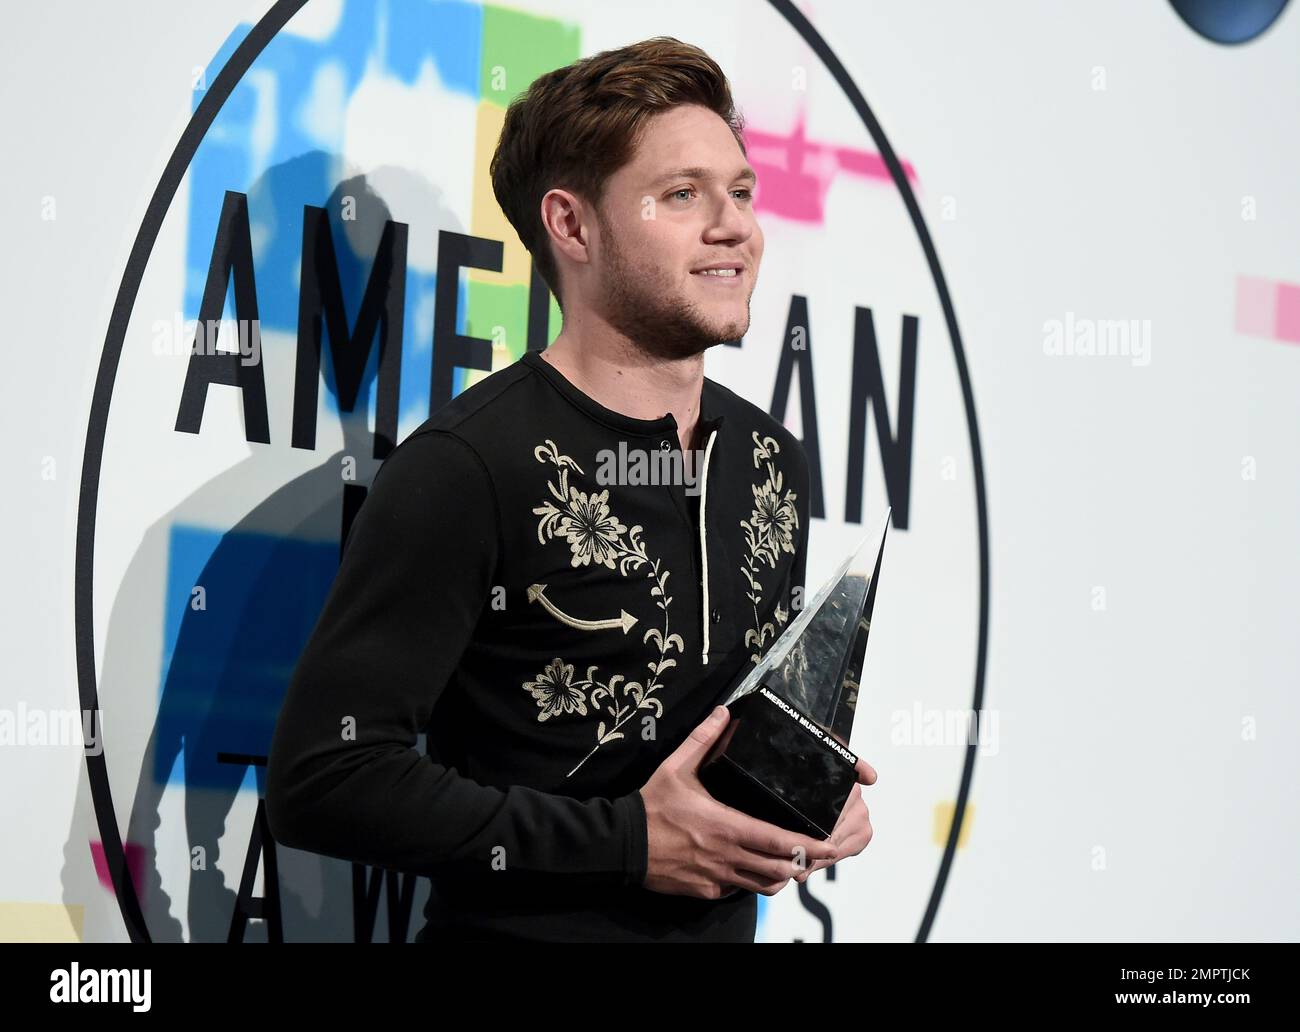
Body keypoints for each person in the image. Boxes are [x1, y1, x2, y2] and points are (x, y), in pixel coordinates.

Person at [266, 35, 876, 943]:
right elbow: (327, 778)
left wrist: (810, 791)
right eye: (681, 195)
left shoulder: (771, 458)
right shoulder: (470, 466)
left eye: (740, 193)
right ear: (573, 226)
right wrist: (627, 842)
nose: (735, 227)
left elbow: (725, 725)